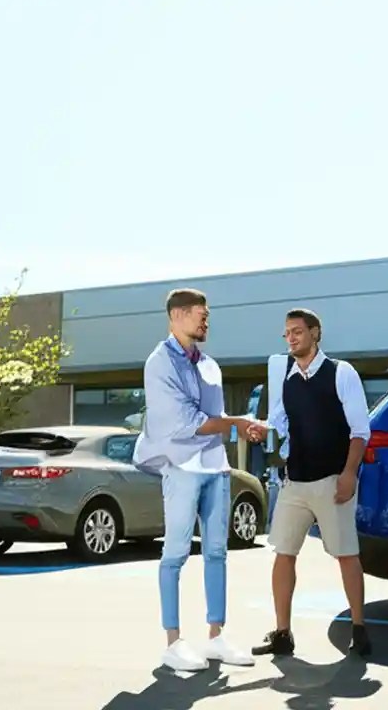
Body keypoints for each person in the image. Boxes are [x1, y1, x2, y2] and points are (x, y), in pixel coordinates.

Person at [134, 288, 264, 673]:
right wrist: (236, 423)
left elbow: (214, 418)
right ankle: (173, 642)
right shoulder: (159, 364)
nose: (206, 321)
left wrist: (241, 427)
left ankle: (215, 637)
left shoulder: (210, 364)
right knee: (174, 555)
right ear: (177, 315)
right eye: (200, 314)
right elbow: (184, 424)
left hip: (215, 468)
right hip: (181, 468)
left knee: (217, 554)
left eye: (207, 315)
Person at [246, 307, 373, 658]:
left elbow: (360, 432)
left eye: (297, 331)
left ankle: (359, 630)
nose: (291, 338)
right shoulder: (283, 374)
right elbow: (280, 426)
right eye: (287, 332)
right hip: (295, 482)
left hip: (333, 480)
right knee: (283, 554)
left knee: (346, 555)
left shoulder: (340, 373)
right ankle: (283, 633)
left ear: (315, 333)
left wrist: (349, 474)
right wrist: (263, 431)